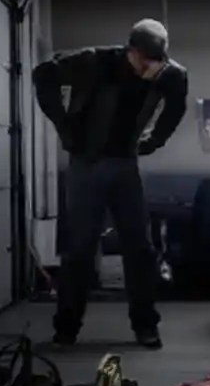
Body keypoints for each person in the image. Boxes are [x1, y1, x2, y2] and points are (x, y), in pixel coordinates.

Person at [33, 19, 189, 349]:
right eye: (145, 61)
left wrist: (155, 140)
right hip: (86, 165)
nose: (150, 70)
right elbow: (42, 75)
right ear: (131, 51)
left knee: (140, 248)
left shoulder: (171, 75)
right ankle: (67, 328)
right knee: (79, 249)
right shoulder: (93, 61)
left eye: (156, 63)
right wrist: (63, 126)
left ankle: (146, 326)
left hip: (124, 166)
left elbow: (176, 108)